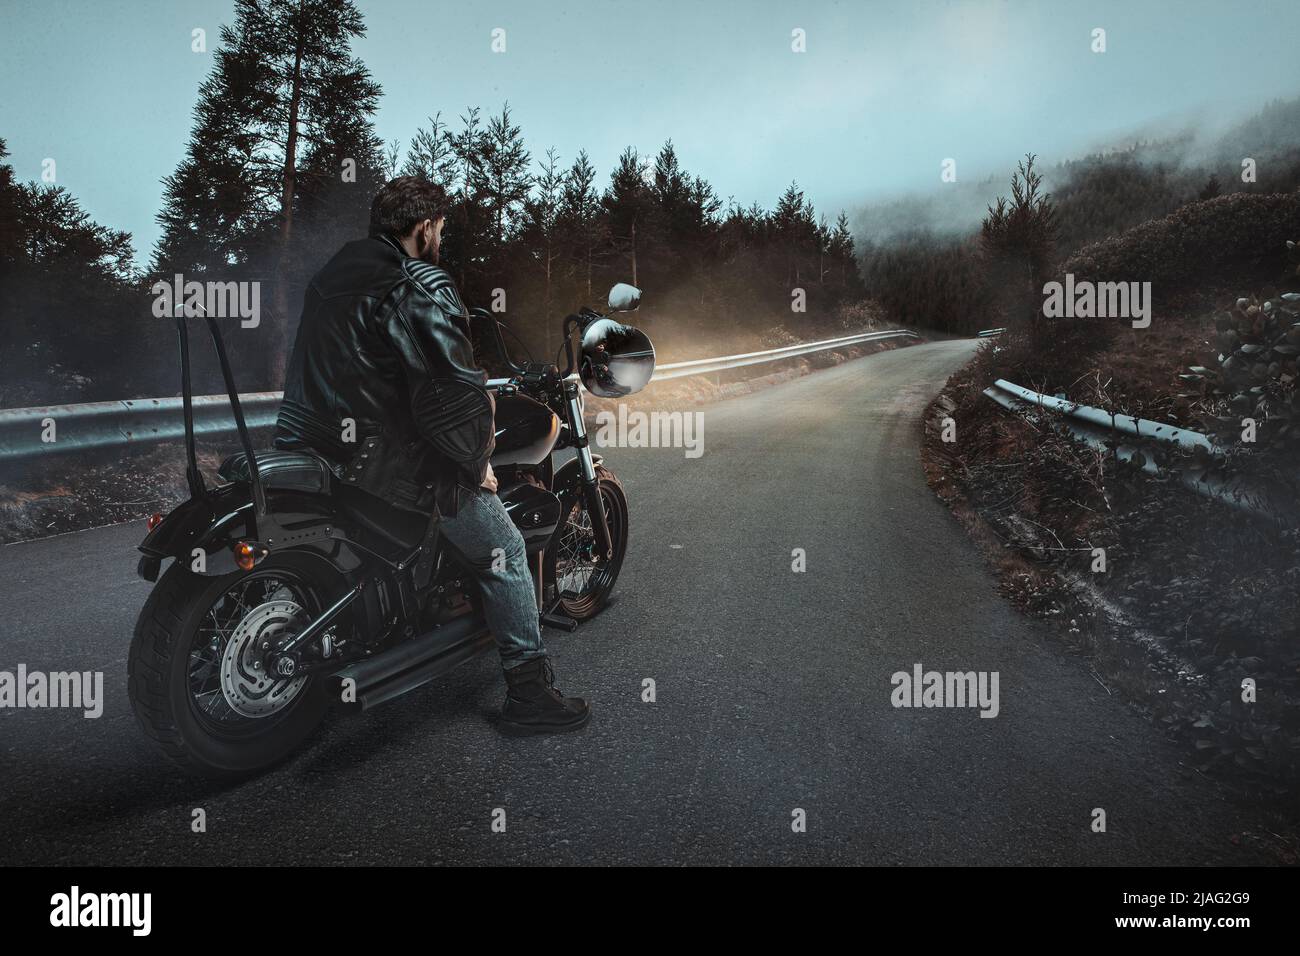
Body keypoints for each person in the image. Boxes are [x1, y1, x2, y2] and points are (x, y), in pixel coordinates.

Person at [274, 176, 589, 736]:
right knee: (505, 549)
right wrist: (477, 462)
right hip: (386, 465)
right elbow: (452, 391)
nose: (440, 236)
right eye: (439, 228)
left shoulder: (332, 274)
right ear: (424, 228)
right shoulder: (417, 281)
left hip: (314, 443)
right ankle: (529, 693)